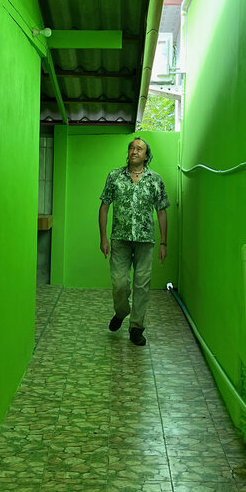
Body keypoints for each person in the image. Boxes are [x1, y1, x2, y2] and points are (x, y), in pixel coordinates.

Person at [98, 137, 169, 346]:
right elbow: (104, 207)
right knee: (120, 284)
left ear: (146, 155)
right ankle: (121, 311)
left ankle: (136, 328)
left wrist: (164, 242)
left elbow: (162, 211)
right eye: (131, 148)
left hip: (145, 241)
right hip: (119, 239)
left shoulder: (155, 180)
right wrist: (103, 238)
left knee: (142, 285)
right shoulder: (114, 176)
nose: (134, 151)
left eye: (139, 149)